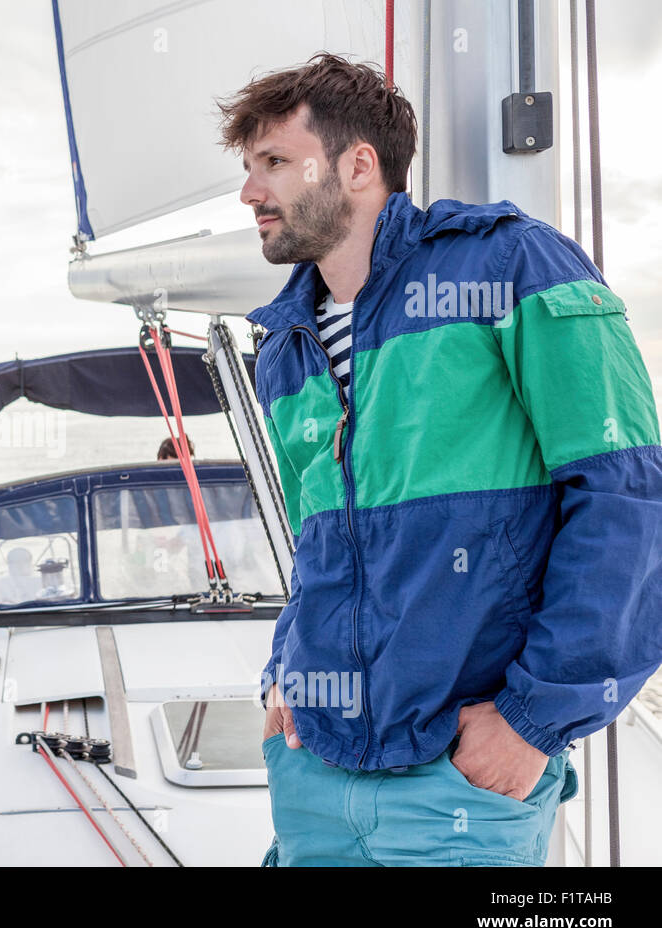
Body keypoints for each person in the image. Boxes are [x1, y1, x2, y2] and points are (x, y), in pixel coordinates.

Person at [218, 53, 662, 865]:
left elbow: (630, 497)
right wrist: (286, 675)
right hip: (311, 779)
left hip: (458, 790)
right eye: (249, 170)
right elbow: (323, 547)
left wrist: (532, 723)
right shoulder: (283, 345)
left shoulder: (511, 266)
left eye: (275, 162)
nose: (251, 192)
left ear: (357, 165)